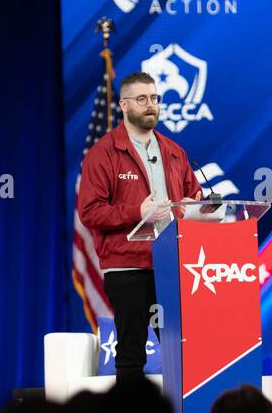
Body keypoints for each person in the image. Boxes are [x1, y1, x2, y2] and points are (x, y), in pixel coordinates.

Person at [77, 71, 202, 375]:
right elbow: (90, 212)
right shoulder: (103, 153)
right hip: (127, 268)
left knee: (182, 352)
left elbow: (190, 196)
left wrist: (194, 207)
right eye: (142, 99)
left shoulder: (174, 151)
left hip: (171, 264)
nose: (151, 105)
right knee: (132, 352)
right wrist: (137, 212)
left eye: (155, 99)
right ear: (124, 104)